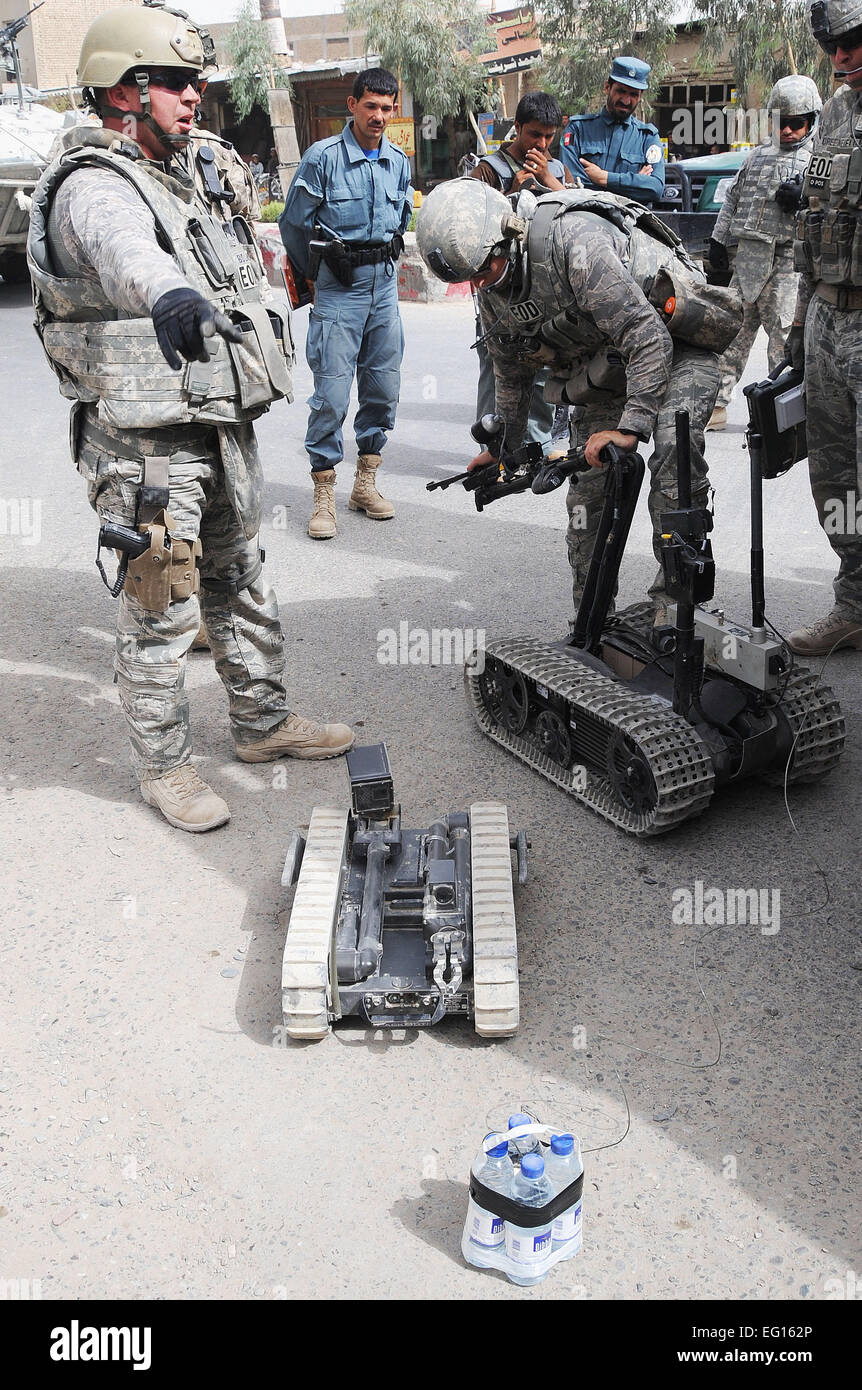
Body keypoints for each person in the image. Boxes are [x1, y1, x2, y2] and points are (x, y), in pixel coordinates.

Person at [26, 2, 354, 833]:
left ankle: (261, 724)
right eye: (174, 82)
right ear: (123, 91)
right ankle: (165, 769)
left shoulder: (179, 172)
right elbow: (123, 248)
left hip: (214, 421)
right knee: (161, 604)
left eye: (195, 82)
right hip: (144, 448)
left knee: (241, 579)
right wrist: (167, 292)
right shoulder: (93, 183)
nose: (192, 97)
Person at [416, 179, 731, 622]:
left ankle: (676, 610)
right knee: (590, 491)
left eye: (482, 271)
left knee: (672, 457)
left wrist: (628, 429)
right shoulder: (491, 290)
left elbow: (649, 339)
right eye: (470, 279)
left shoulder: (574, 243)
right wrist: (502, 449)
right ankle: (591, 617)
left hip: (675, 349)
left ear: (505, 236)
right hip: (611, 366)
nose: (479, 285)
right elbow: (513, 374)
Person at [279, 68, 413, 540]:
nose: (379, 116)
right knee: (331, 396)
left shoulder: (398, 161)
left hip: (384, 289)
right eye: (371, 106)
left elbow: (401, 222)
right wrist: (315, 275)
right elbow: (293, 225)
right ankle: (323, 494)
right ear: (352, 105)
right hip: (338, 288)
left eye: (387, 107)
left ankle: (365, 484)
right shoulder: (322, 159)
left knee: (382, 390)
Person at [783, 0, 862, 653]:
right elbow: (813, 223)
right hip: (829, 319)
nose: (842, 58)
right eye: (833, 45)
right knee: (834, 476)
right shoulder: (833, 114)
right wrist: (799, 330)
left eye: (854, 42)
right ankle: (855, 606)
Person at [706, 76, 822, 431]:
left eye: (796, 123)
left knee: (784, 342)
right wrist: (717, 240)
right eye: (780, 122)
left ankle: (780, 416)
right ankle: (715, 406)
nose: (787, 130)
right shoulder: (756, 156)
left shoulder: (818, 161)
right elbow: (734, 198)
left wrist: (805, 195)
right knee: (730, 336)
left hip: (787, 265)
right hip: (748, 261)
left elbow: (831, 209)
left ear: (812, 121)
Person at [470, 90, 573, 447]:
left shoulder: (557, 169)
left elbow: (579, 214)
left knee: (544, 367)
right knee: (497, 367)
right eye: (534, 134)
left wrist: (549, 181)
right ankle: (494, 447)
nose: (541, 143)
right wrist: (512, 196)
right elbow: (472, 229)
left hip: (545, 290)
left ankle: (537, 447)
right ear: (517, 128)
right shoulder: (488, 169)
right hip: (499, 291)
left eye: (549, 135)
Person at [559, 56, 665, 207]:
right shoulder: (578, 129)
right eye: (621, 91)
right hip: (585, 219)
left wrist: (604, 178)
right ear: (607, 88)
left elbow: (655, 188)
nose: (626, 100)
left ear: (640, 96)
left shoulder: (647, 137)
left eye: (633, 94)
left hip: (631, 225)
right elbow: (572, 184)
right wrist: (633, 184)